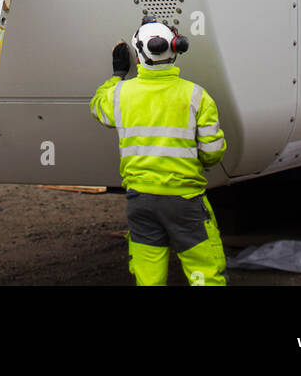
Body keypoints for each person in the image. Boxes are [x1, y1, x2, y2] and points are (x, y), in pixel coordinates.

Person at [90, 19, 227, 287]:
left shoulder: (120, 95)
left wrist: (118, 75)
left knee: (148, 277)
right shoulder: (197, 96)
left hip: (141, 202)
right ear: (175, 51)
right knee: (204, 272)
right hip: (184, 202)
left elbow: (98, 108)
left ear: (139, 56)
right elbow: (212, 153)